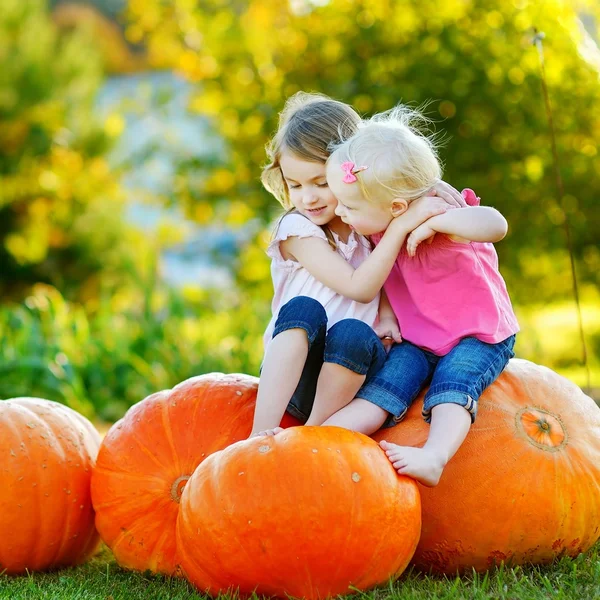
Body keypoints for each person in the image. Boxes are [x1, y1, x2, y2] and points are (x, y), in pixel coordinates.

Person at [324, 104, 519, 486]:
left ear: (397, 206)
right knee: (385, 386)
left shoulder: (445, 218)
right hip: (418, 338)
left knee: (453, 383)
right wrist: (386, 314)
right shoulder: (379, 228)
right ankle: (320, 442)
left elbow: (496, 224)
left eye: (348, 205)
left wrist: (438, 221)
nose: (340, 212)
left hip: (479, 335)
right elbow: (384, 279)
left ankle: (434, 455)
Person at [251, 93, 465, 437]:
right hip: (294, 382)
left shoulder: (366, 223)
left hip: (351, 381)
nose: (308, 197)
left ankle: (311, 435)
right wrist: (399, 227)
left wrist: (426, 188)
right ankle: (259, 433)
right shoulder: (297, 230)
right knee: (303, 309)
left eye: (322, 183)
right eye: (295, 185)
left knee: (354, 333)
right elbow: (358, 286)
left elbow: (382, 272)